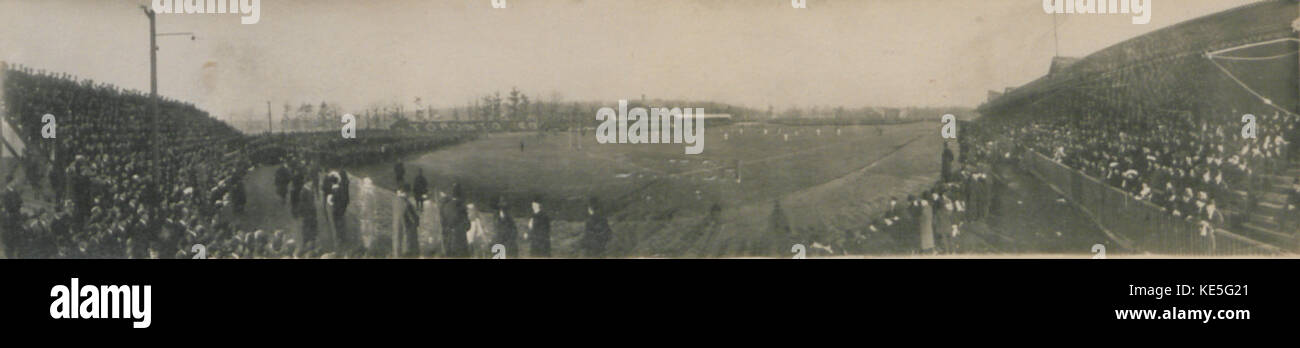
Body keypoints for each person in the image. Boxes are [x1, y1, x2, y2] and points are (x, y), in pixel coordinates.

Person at [439, 183, 470, 257]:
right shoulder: (461, 207)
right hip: (460, 240)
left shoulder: (445, 206)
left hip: (449, 241)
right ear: (461, 195)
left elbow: (443, 222)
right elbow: (467, 225)